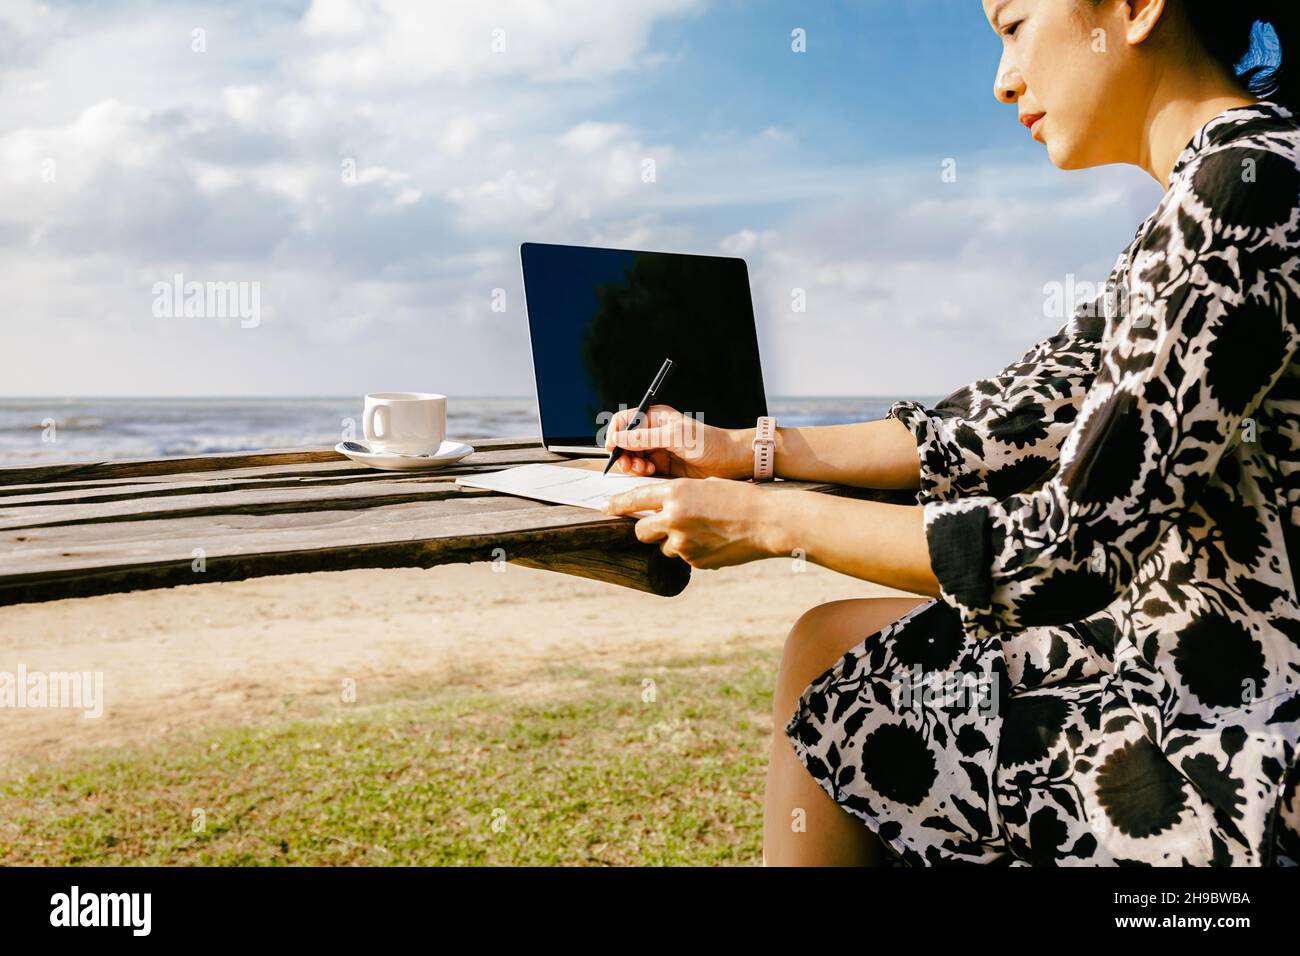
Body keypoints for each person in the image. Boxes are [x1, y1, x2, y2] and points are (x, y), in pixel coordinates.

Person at [603, 0, 1300, 865]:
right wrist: (747, 451)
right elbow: (1007, 418)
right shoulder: (1238, 176)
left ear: (1135, 8)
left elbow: (1064, 551)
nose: (1003, 81)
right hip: (1199, 667)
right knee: (829, 642)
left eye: (1013, 26)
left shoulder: (1244, 188)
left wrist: (763, 520)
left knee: (841, 678)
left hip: (1235, 739)